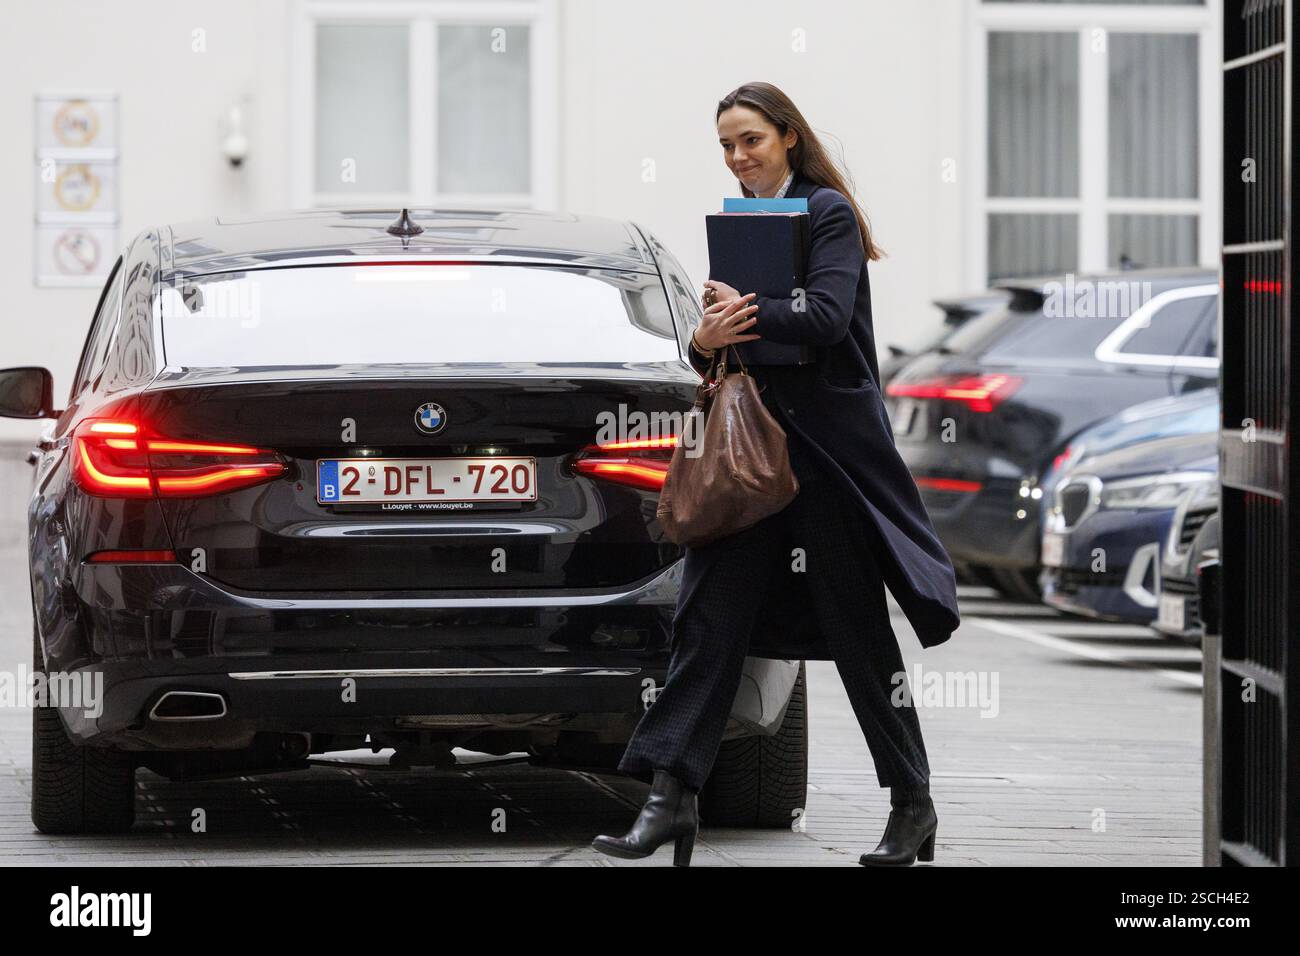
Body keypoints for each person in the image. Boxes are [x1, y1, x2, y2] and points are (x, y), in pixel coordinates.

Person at [590, 81, 961, 867]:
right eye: (726, 144)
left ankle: (912, 804)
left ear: (788, 136)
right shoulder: (744, 221)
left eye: (750, 139)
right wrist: (705, 337)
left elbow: (826, 319)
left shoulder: (827, 211)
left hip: (824, 464)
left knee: (861, 638)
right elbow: (728, 349)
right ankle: (669, 799)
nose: (737, 156)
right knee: (707, 620)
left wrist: (742, 312)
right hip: (750, 463)